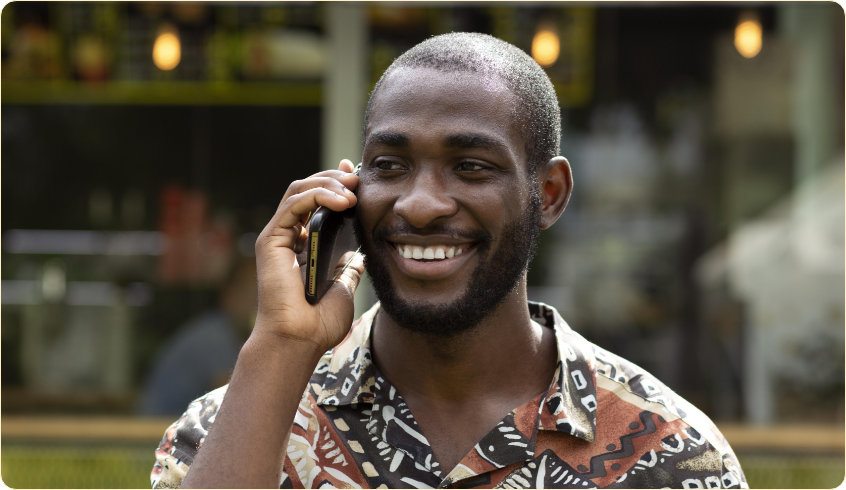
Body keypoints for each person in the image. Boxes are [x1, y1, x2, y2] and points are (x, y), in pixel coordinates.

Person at [151, 33, 746, 489]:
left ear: (550, 194)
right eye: (390, 165)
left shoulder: (672, 455)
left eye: (471, 166)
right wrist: (280, 343)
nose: (422, 204)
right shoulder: (228, 430)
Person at [136, 258, 257, 416]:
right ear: (229, 296)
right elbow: (241, 403)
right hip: (151, 435)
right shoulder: (213, 337)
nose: (261, 303)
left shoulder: (232, 334)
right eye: (254, 293)